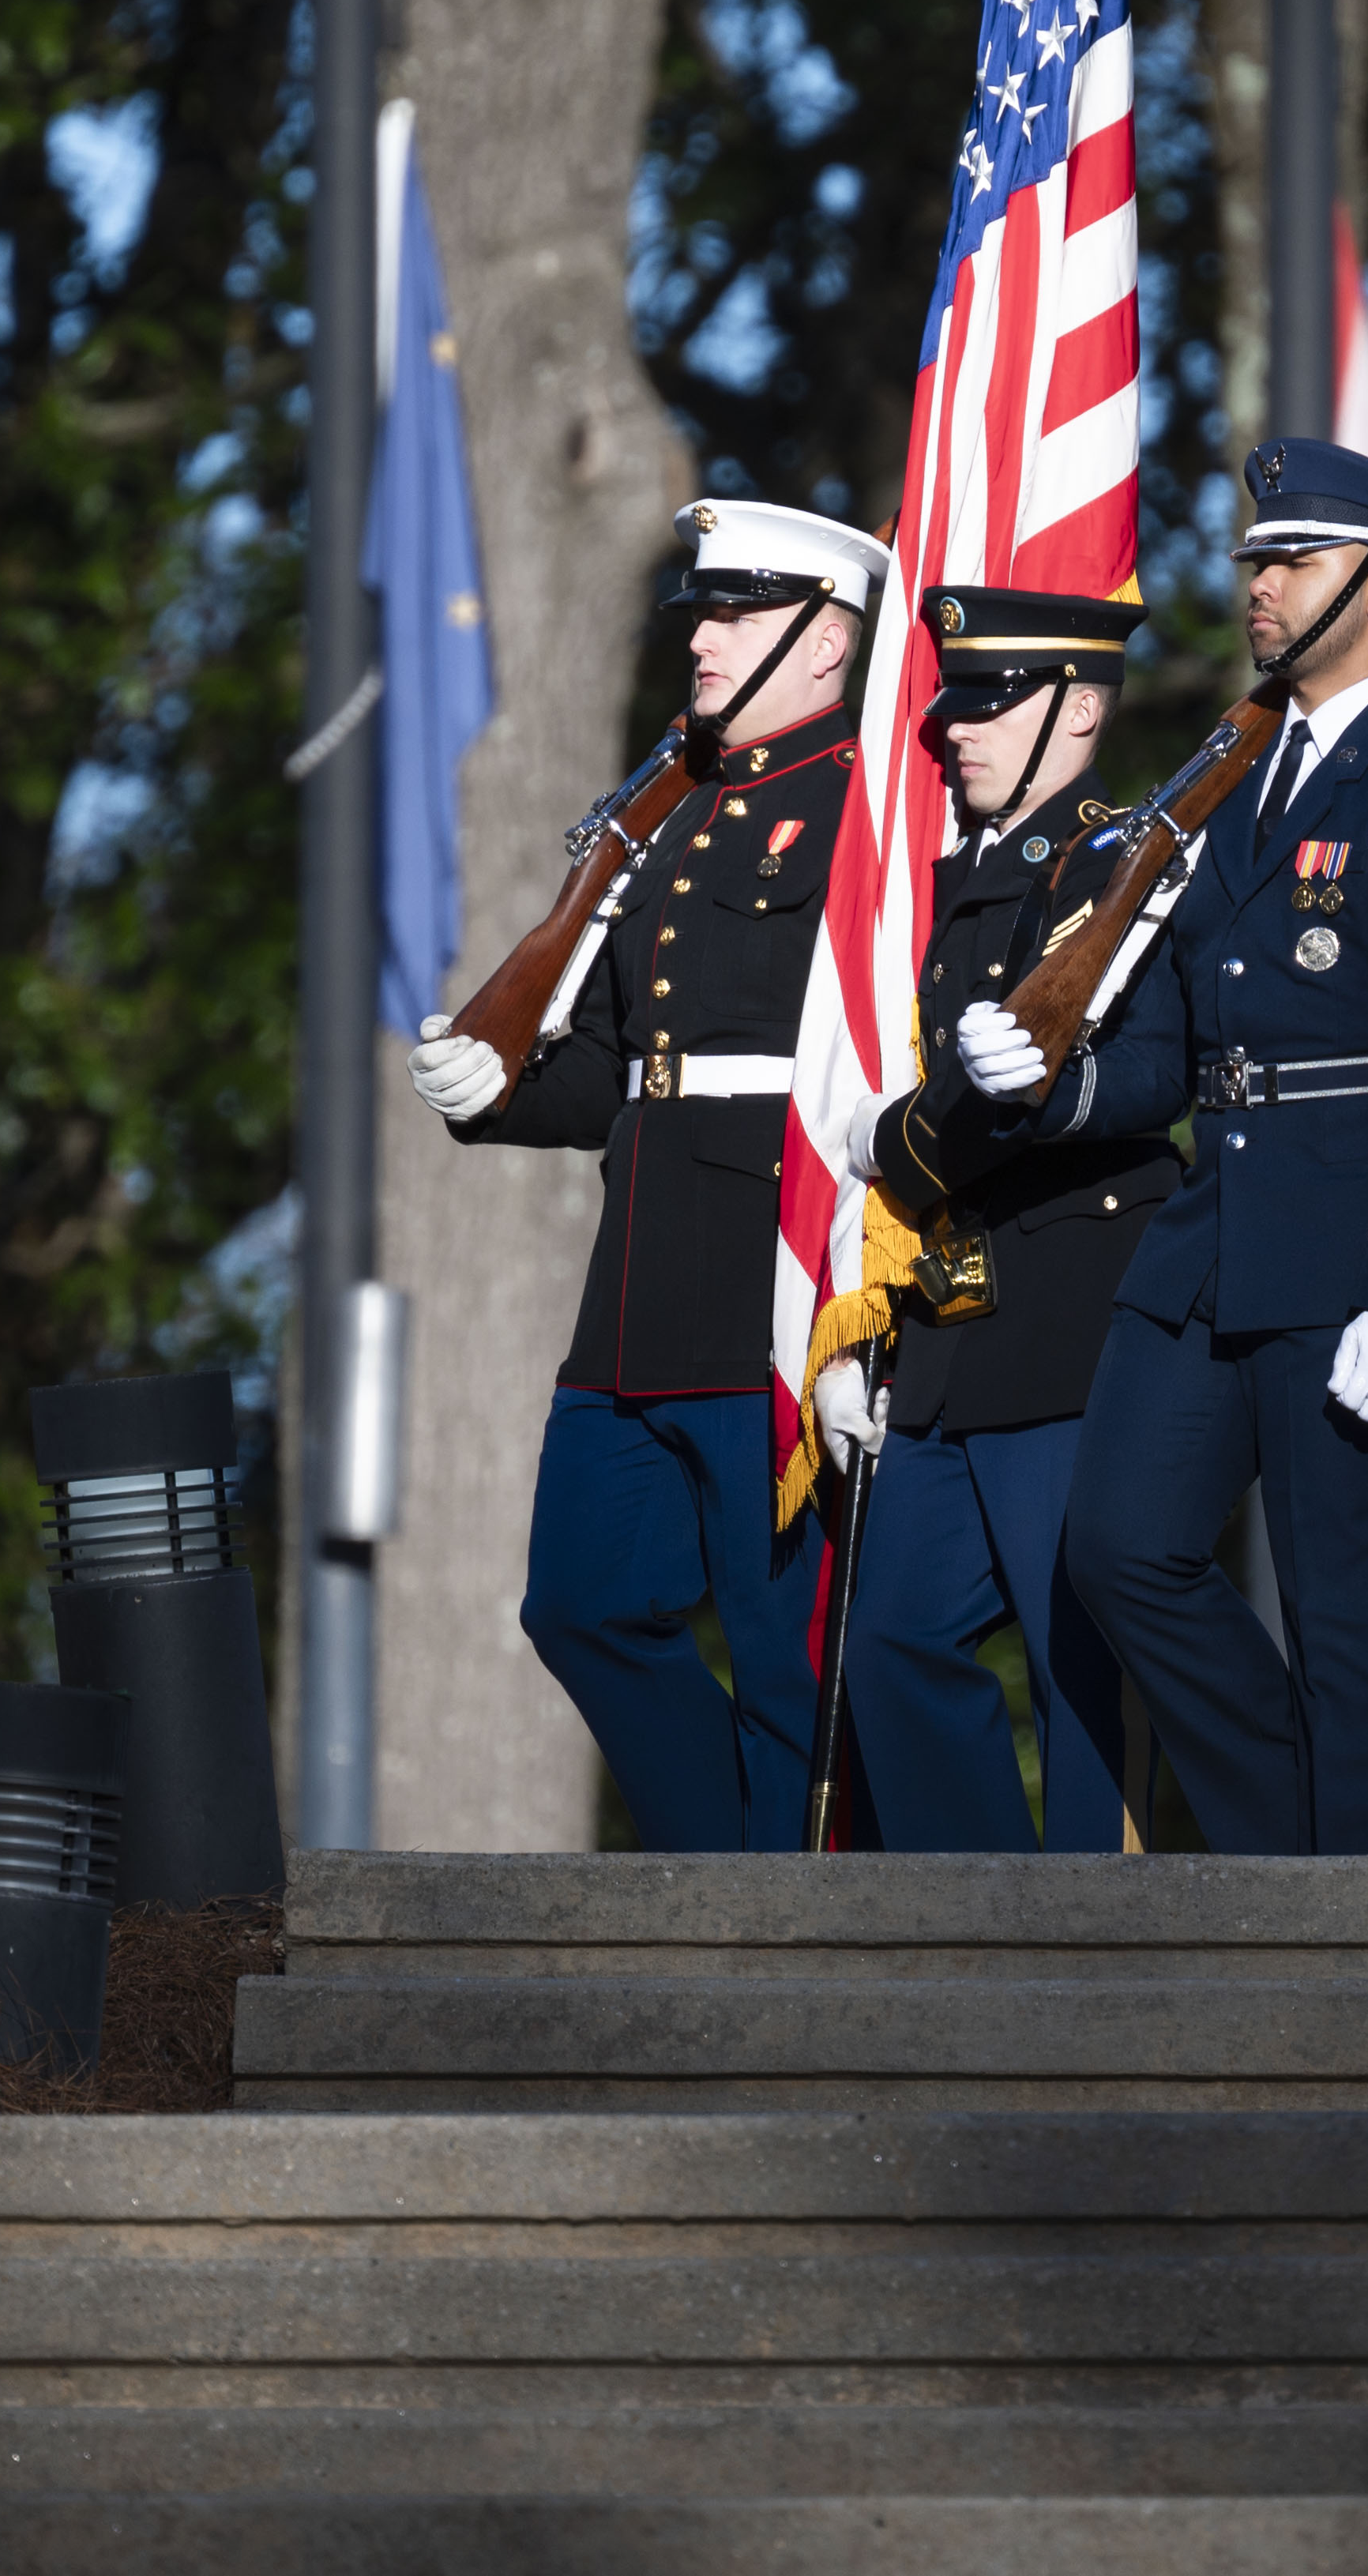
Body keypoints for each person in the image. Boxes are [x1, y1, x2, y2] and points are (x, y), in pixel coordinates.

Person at [958, 437, 1368, 1856]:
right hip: (1216, 1240)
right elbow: (1166, 1052)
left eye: (1298, 562)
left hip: (1360, 1247)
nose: (1263, 588)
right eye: (1258, 563)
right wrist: (1045, 1079)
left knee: (1349, 1608)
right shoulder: (1227, 791)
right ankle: (1286, 1860)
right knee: (1120, 1551)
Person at [403, 501, 877, 1852]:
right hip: (639, 1286)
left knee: (789, 1652)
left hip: (774, 1272)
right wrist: (497, 1096)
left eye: (737, 614)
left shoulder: (865, 816)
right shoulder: (667, 810)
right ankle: (727, 1873)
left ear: (827, 641)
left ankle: (791, 1944)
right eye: (704, 614)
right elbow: (618, 1059)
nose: (705, 639)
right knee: (581, 1604)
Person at [820, 590, 1171, 1852]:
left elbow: (1159, 1066)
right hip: (948, 1322)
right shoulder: (930, 883)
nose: (951, 729)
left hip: (1080, 1307)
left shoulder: (1124, 862)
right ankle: (970, 1930)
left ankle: (1097, 1953)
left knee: (1082, 1651)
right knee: (895, 1638)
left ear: (1077, 709)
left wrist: (931, 1126)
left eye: (990, 702)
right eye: (951, 701)